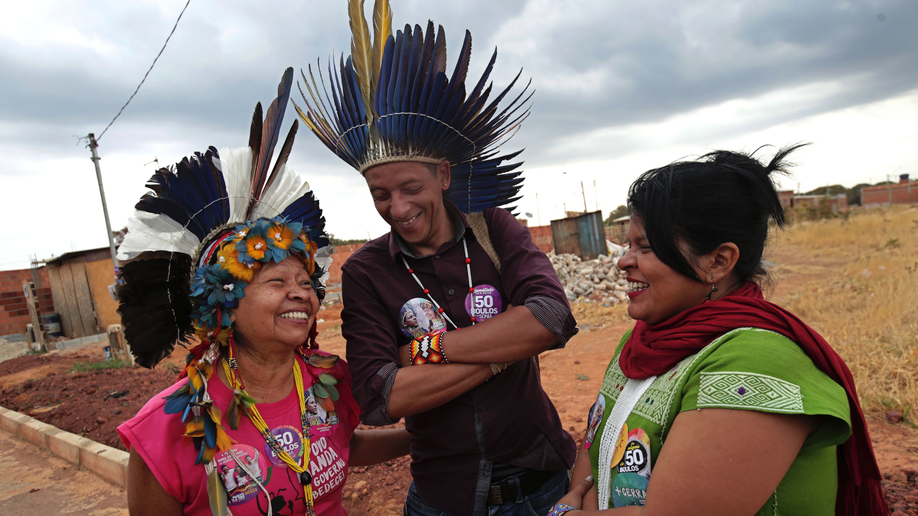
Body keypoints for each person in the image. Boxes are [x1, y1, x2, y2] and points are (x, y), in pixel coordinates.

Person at [294, 1, 577, 514]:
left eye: (410, 188)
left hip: (541, 483)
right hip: (443, 497)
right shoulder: (364, 272)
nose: (397, 209)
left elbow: (553, 318)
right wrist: (502, 349)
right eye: (381, 195)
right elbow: (381, 398)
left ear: (444, 176)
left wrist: (424, 352)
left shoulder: (492, 228)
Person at [115, 68, 410, 516]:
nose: (302, 295)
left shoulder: (330, 381)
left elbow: (341, 444)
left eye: (305, 283)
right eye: (276, 282)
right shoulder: (167, 427)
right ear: (226, 304)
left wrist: (417, 439)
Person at [549, 146, 888, 515]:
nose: (623, 261)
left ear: (718, 261)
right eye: (629, 244)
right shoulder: (640, 343)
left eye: (646, 247)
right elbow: (594, 452)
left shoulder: (758, 361)